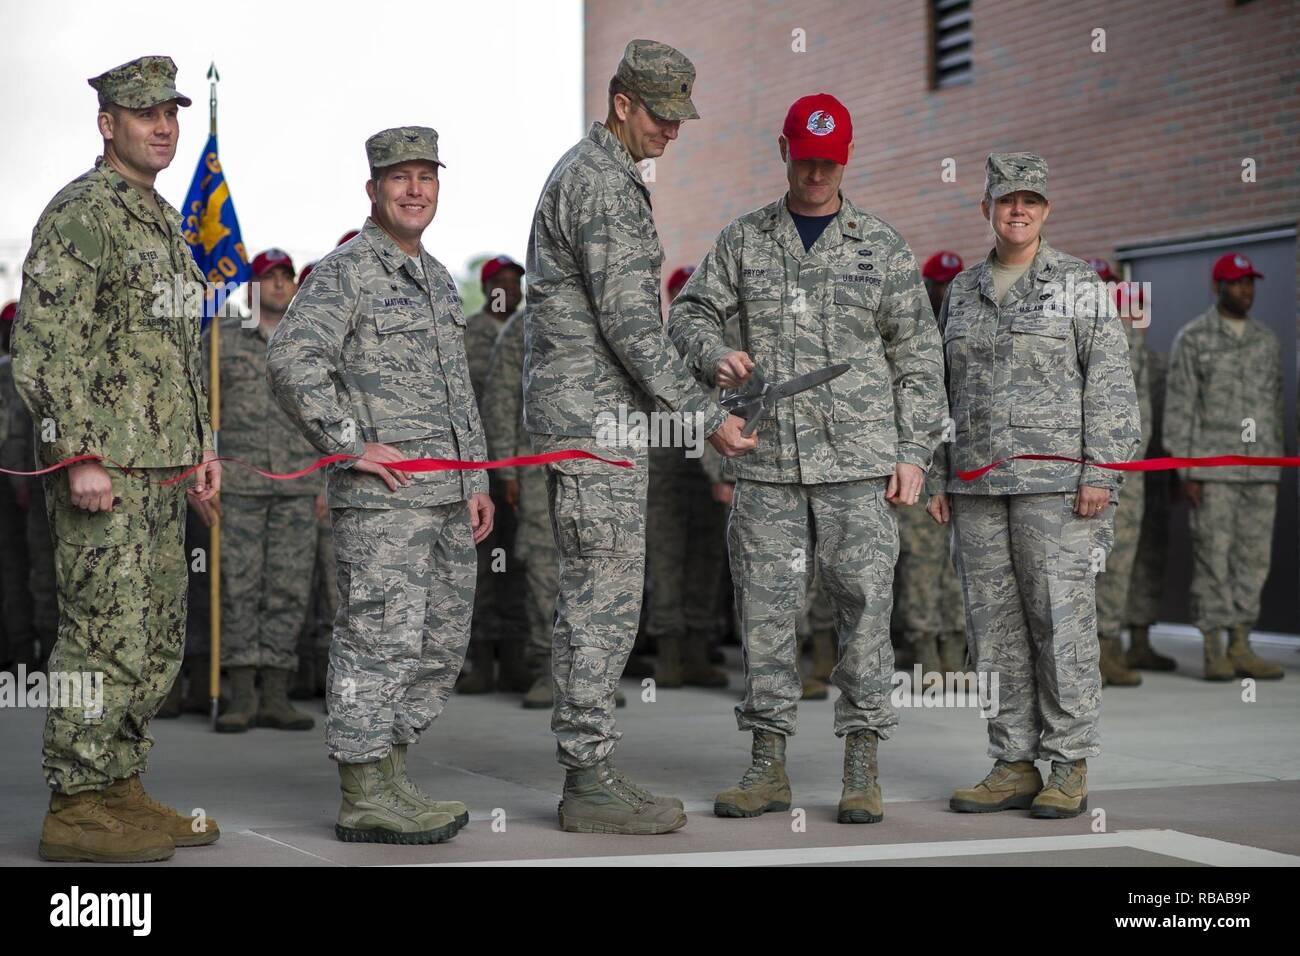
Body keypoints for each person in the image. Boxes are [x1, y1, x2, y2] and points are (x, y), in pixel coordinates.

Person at [670, 93, 946, 824]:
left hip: (858, 467)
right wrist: (714, 353)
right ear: (784, 151)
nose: (817, 172)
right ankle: (767, 767)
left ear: (844, 160)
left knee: (863, 613)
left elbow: (919, 357)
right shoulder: (744, 239)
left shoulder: (880, 246)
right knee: (764, 615)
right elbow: (688, 313)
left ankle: (862, 766)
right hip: (766, 463)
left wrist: (915, 451)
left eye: (830, 161)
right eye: (805, 157)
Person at [524, 39, 754, 835]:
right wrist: (703, 418)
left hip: (602, 420)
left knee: (604, 597)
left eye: (682, 117)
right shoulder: (601, 186)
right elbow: (630, 326)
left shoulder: (607, 177)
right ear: (622, 103)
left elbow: (634, 323)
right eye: (661, 115)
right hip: (594, 425)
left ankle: (592, 767)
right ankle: (587, 779)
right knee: (601, 600)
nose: (673, 131)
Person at [14, 56, 222, 862]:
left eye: (169, 113)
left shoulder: (162, 219)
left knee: (154, 637)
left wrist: (201, 450)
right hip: (107, 474)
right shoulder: (83, 213)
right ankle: (75, 805)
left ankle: (120, 784)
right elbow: (44, 346)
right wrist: (78, 454)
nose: (164, 126)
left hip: (163, 471)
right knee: (101, 636)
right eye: (145, 115)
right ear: (109, 125)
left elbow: (174, 351)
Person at [268, 126, 494, 844]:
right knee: (378, 640)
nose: (415, 189)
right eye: (400, 178)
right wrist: (349, 444)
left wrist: (478, 475)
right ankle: (364, 790)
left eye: (427, 176)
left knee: (439, 643)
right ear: (373, 190)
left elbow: (458, 388)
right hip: (384, 501)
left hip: (449, 496)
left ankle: (394, 772)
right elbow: (291, 360)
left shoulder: (433, 277)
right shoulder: (347, 271)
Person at [927, 153, 1140, 819]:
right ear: (985, 207)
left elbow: (1110, 381)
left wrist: (1102, 471)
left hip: (1057, 489)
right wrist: (937, 468)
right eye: (1006, 199)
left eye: (1031, 200)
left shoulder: (1077, 283)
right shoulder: (962, 290)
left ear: (1046, 210)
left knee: (1061, 621)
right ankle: (1012, 760)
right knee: (993, 631)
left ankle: (1069, 762)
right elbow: (940, 387)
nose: (1018, 210)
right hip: (978, 488)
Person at [203, 248, 322, 732]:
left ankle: (276, 692)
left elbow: (326, 415)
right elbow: (200, 408)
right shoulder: (220, 341)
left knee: (289, 588)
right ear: (250, 287)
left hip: (298, 482)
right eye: (267, 277)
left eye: (285, 276)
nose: (278, 284)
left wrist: (323, 482)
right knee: (238, 587)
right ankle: (240, 694)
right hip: (240, 484)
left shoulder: (310, 341)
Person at [1164, 252, 1284, 681]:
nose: (1246, 290)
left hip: (1261, 469)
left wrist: (1274, 463)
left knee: (1254, 560)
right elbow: (1180, 408)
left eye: (1251, 282)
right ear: (1217, 288)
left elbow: (1274, 404)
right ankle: (1214, 647)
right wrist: (1187, 469)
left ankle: (1242, 644)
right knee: (1214, 557)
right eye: (1236, 283)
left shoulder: (1266, 340)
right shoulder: (1194, 338)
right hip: (1212, 470)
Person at [644, 265, 729, 689]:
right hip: (664, 471)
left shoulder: (721, 348)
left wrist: (722, 472)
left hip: (709, 471)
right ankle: (669, 655)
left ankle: (697, 648)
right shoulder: (654, 345)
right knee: (665, 561)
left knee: (706, 560)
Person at [893, 251, 968, 676]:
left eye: (952, 282)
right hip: (918, 464)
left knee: (959, 563)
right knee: (920, 562)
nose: (946, 291)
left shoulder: (967, 330)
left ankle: (955, 649)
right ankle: (922, 649)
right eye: (939, 283)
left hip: (964, 469)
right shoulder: (909, 335)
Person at [459, 254, 530, 694]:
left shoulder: (530, 332)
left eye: (515, 281)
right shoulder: (466, 333)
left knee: (519, 564)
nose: (510, 288)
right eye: (500, 281)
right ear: (486, 289)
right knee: (481, 566)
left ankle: (518, 658)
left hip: (522, 467)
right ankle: (481, 660)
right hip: (474, 469)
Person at [1091, 270, 1151, 687]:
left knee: (1121, 558)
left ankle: (1109, 645)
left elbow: (1139, 399)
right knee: (1082, 563)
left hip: (1131, 470)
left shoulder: (1134, 337)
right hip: (1085, 469)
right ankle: (1082, 651)